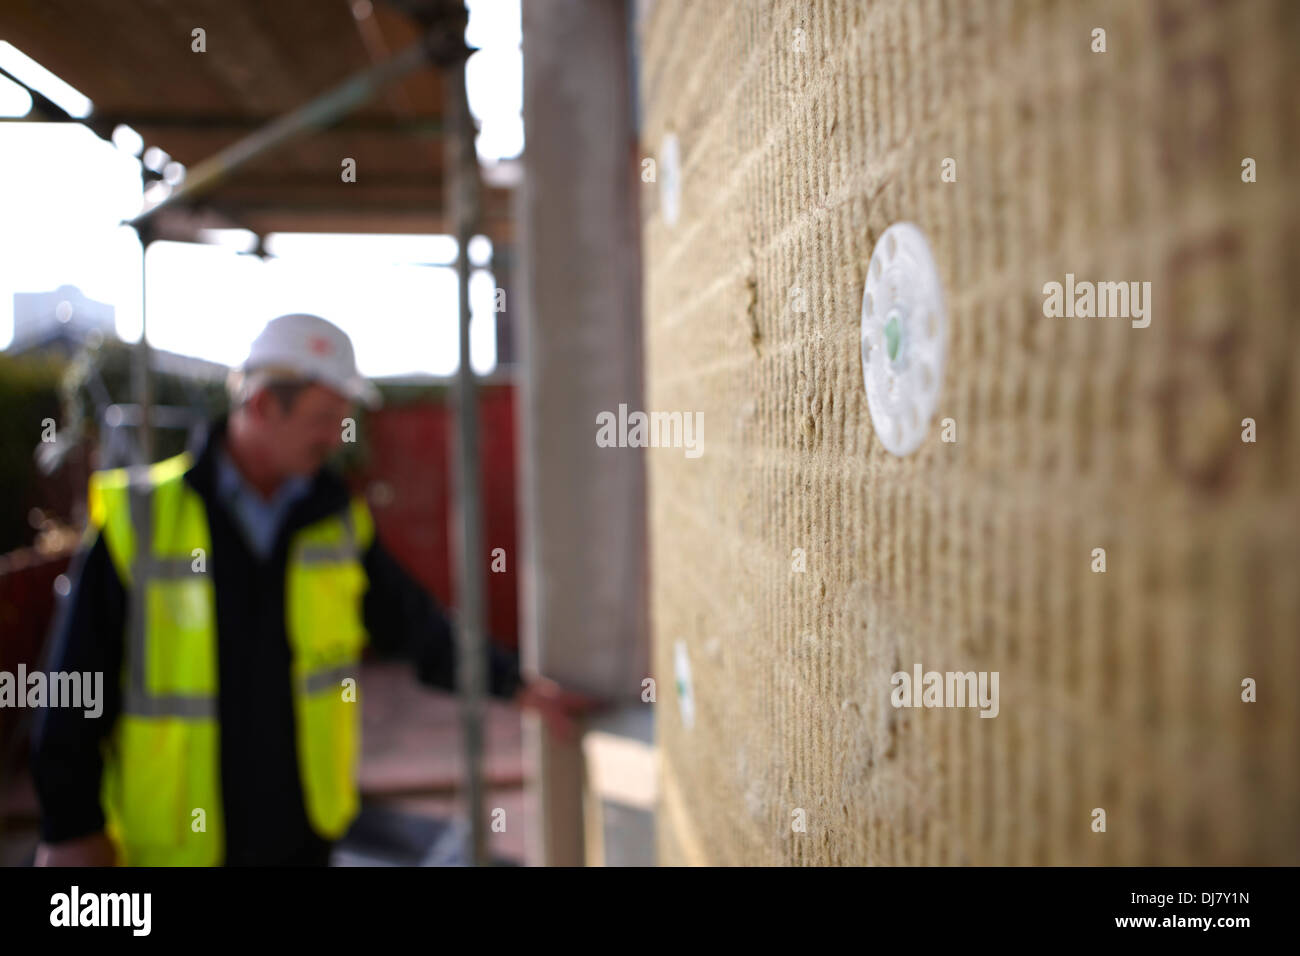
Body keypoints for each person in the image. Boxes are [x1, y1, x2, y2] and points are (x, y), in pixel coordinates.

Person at [31, 313, 599, 866]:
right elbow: (75, 682)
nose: (336, 438)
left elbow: (417, 628)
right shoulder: (144, 520)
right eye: (324, 418)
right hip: (180, 843)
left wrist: (518, 687)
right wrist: (70, 827)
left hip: (301, 833)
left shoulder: (336, 520)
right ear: (259, 405)